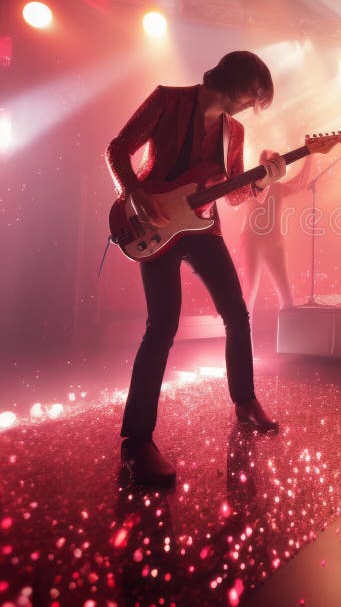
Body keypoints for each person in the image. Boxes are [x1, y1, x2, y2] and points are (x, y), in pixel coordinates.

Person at [106, 51, 286, 486]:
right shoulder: (167, 101)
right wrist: (134, 193)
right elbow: (117, 149)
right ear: (231, 79)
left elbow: (235, 193)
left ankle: (244, 401)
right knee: (163, 325)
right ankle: (136, 442)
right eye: (251, 93)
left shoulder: (234, 131)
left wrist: (262, 180)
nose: (250, 104)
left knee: (236, 313)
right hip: (155, 222)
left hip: (204, 228)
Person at [240, 151, 313, 312]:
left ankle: (289, 333)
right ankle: (245, 335)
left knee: (284, 295)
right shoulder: (249, 185)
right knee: (250, 294)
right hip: (255, 240)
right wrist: (310, 155)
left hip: (270, 241)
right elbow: (299, 183)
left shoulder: (276, 187)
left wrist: (310, 155)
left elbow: (300, 182)